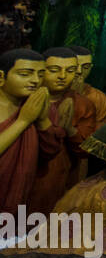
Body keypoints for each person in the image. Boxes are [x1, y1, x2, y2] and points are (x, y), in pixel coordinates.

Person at [0, 49, 64, 215]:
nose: (35, 81)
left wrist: (43, 120)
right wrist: (23, 121)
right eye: (25, 74)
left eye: (40, 74)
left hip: (21, 200)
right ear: (1, 77)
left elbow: (50, 151)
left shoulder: (41, 107)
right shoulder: (27, 113)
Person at [31, 48, 96, 210]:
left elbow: (87, 149)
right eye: (54, 70)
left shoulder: (82, 104)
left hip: (56, 176)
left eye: (70, 70)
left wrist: (69, 129)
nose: (62, 76)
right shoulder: (26, 97)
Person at [71, 45, 106, 132]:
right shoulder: (50, 93)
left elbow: (96, 135)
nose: (79, 71)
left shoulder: (99, 98)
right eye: (74, 66)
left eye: (85, 67)